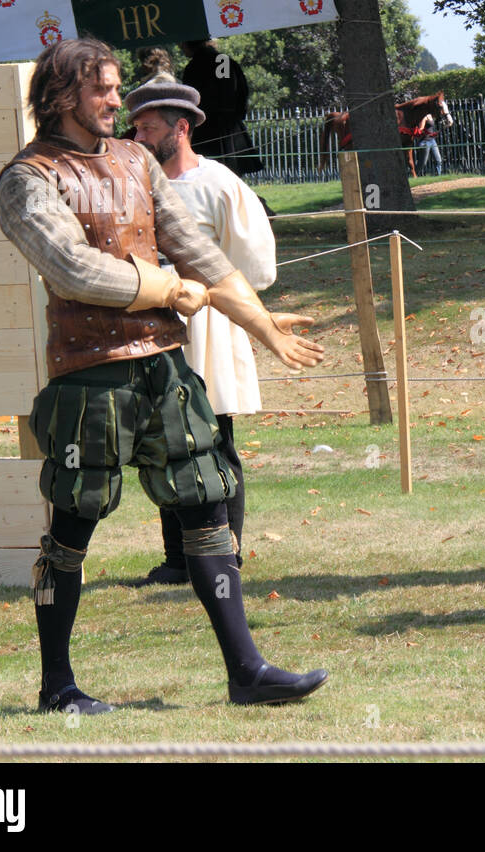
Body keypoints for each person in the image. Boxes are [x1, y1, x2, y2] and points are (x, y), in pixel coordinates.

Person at [0, 37, 328, 712]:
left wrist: (261, 324)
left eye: (117, 88)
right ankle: (57, 685)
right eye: (104, 90)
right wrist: (167, 291)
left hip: (164, 370)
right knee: (72, 528)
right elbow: (71, 269)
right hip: (89, 378)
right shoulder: (27, 177)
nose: (120, 100)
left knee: (207, 507)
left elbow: (196, 249)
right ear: (62, 96)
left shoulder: (136, 159)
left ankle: (247, 672)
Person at [123, 73, 278, 586]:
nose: (138, 138)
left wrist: (207, 290)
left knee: (213, 442)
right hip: (149, 324)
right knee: (162, 444)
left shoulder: (221, 185)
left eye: (147, 129)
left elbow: (255, 267)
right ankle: (178, 560)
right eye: (135, 128)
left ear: (180, 127)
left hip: (209, 324)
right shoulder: (129, 185)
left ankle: (222, 558)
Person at [180, 38, 263, 176]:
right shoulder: (224, 60)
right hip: (230, 126)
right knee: (232, 174)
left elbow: (191, 99)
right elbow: (242, 92)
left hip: (206, 130)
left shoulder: (195, 66)